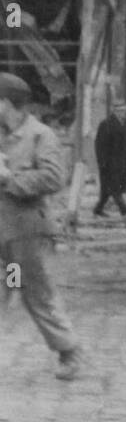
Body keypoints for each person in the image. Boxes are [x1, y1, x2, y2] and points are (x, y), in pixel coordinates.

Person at [0, 73, 83, 380]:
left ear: (7, 103)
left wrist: (10, 179)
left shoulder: (41, 135)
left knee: (36, 294)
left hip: (28, 232)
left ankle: (68, 349)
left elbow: (53, 178)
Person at [93, 99, 126, 217]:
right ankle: (124, 209)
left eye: (125, 111)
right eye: (121, 111)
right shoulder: (106, 124)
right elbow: (99, 145)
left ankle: (98, 208)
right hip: (109, 162)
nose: (124, 113)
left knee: (108, 189)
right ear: (115, 111)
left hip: (123, 161)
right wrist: (102, 162)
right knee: (114, 187)